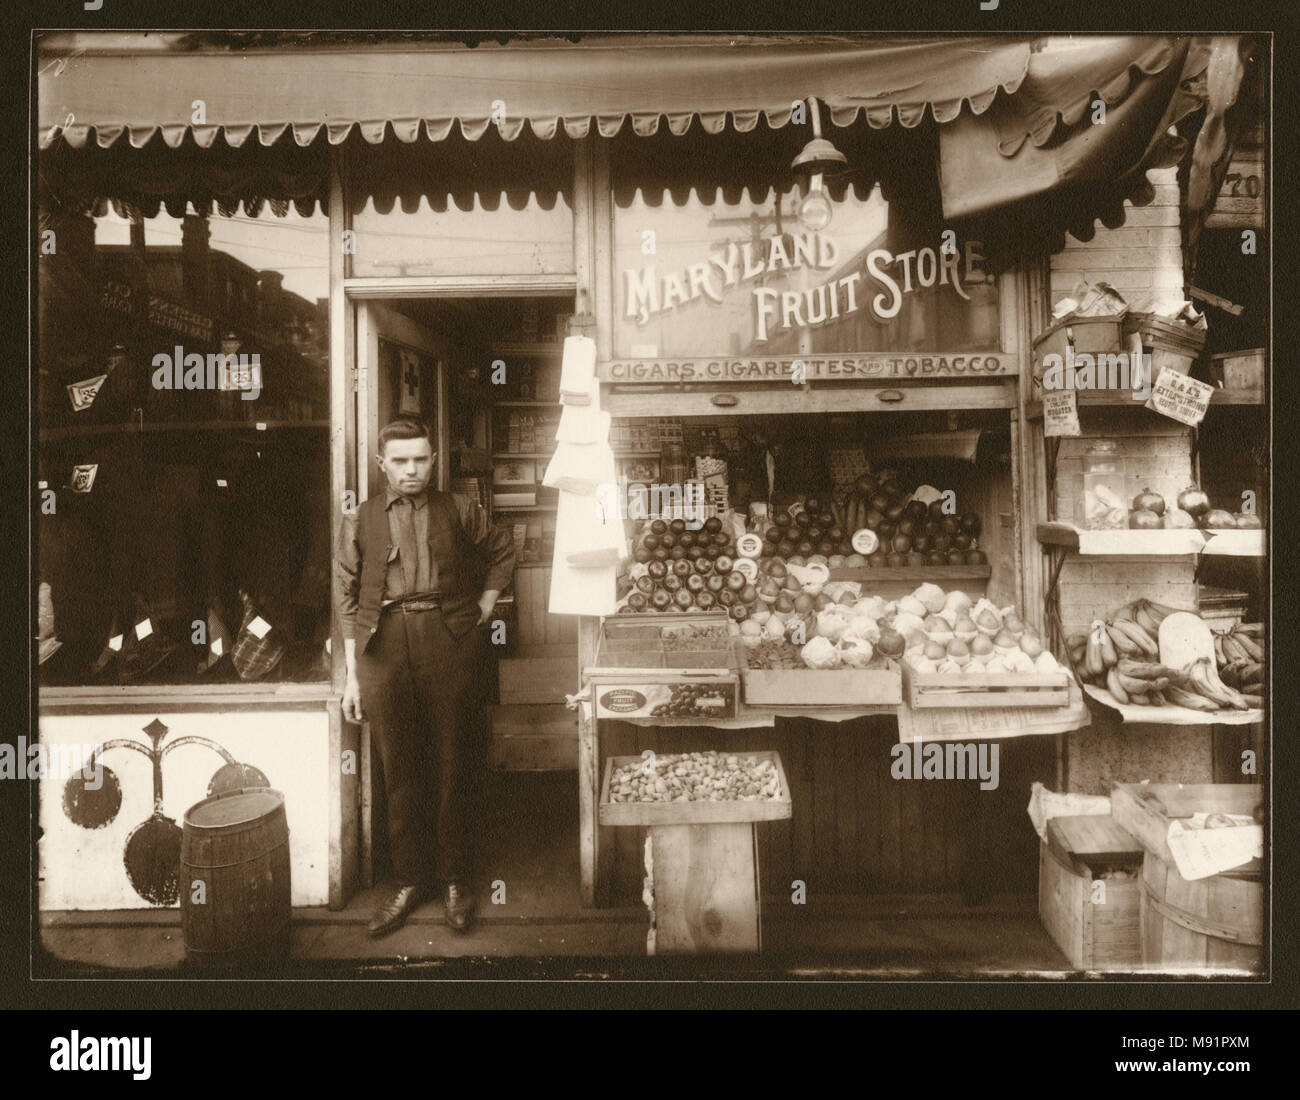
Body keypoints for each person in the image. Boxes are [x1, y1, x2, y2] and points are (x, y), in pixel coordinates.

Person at [335, 417, 515, 936]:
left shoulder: (459, 509)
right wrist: (352, 678)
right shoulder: (360, 519)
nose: (411, 469)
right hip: (382, 644)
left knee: (455, 759)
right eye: (400, 461)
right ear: (381, 464)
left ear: (434, 460)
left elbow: (502, 552)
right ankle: (411, 881)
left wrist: (483, 606)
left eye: (420, 459)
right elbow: (345, 599)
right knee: (399, 767)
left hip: (448, 638)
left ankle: (456, 878)